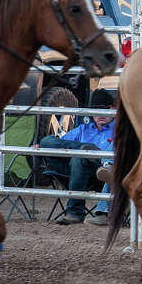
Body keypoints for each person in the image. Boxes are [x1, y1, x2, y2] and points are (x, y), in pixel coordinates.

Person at [38, 88, 116, 225]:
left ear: (113, 108)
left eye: (104, 109)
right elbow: (61, 143)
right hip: (76, 173)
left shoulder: (119, 129)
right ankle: (85, 150)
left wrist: (87, 153)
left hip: (103, 173)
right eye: (95, 110)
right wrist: (82, 149)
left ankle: (75, 212)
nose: (99, 114)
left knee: (79, 157)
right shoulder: (83, 128)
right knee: (47, 142)